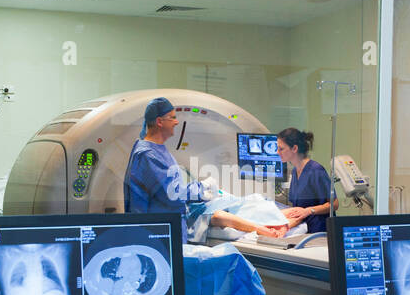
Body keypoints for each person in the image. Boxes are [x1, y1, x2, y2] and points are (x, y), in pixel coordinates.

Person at [124, 97, 284, 239]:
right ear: (159, 122)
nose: (177, 122)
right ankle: (270, 224)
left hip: (168, 224)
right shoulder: (148, 154)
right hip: (158, 231)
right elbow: (173, 193)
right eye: (172, 118)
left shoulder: (156, 150)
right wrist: (203, 188)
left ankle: (285, 219)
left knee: (258, 203)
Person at [275, 127, 336, 234]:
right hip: (303, 228)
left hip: (320, 232)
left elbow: (334, 204)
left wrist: (309, 211)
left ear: (294, 148)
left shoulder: (315, 170)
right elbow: (299, 209)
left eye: (281, 149)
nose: (277, 152)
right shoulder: (295, 171)